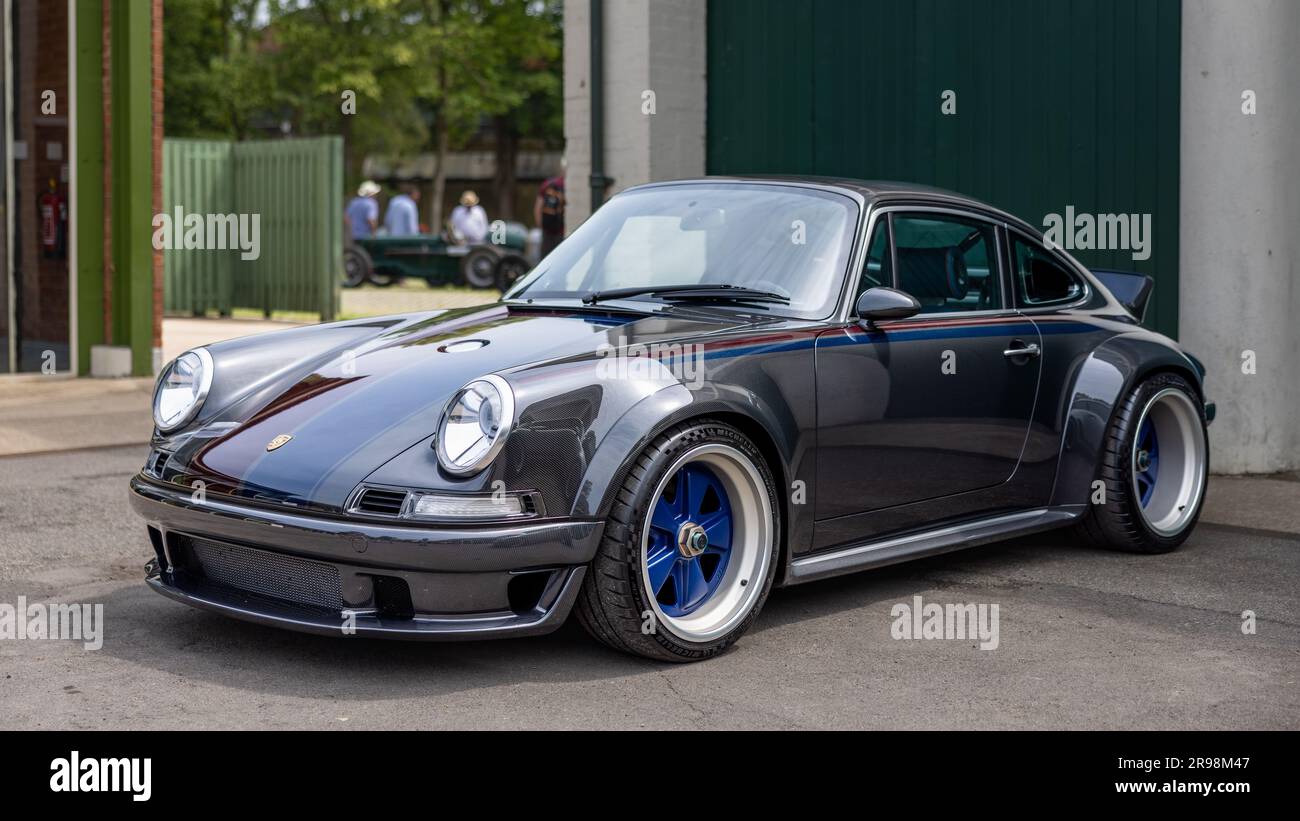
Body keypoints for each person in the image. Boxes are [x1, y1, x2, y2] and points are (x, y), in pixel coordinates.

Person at [534, 172, 565, 256]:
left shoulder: (546, 185)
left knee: (545, 258)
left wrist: (541, 226)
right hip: (561, 231)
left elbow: (538, 208)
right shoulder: (566, 184)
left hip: (547, 231)